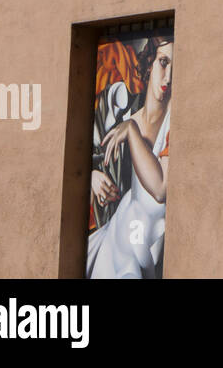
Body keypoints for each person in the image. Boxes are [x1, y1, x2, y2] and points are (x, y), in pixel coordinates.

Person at [87, 37, 172, 279]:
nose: (168, 78)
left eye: (176, 68)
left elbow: (160, 190)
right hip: (115, 246)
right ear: (150, 63)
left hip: (151, 249)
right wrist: (92, 178)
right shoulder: (119, 112)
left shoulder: (174, 125)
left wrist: (132, 133)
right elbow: (79, 165)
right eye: (163, 62)